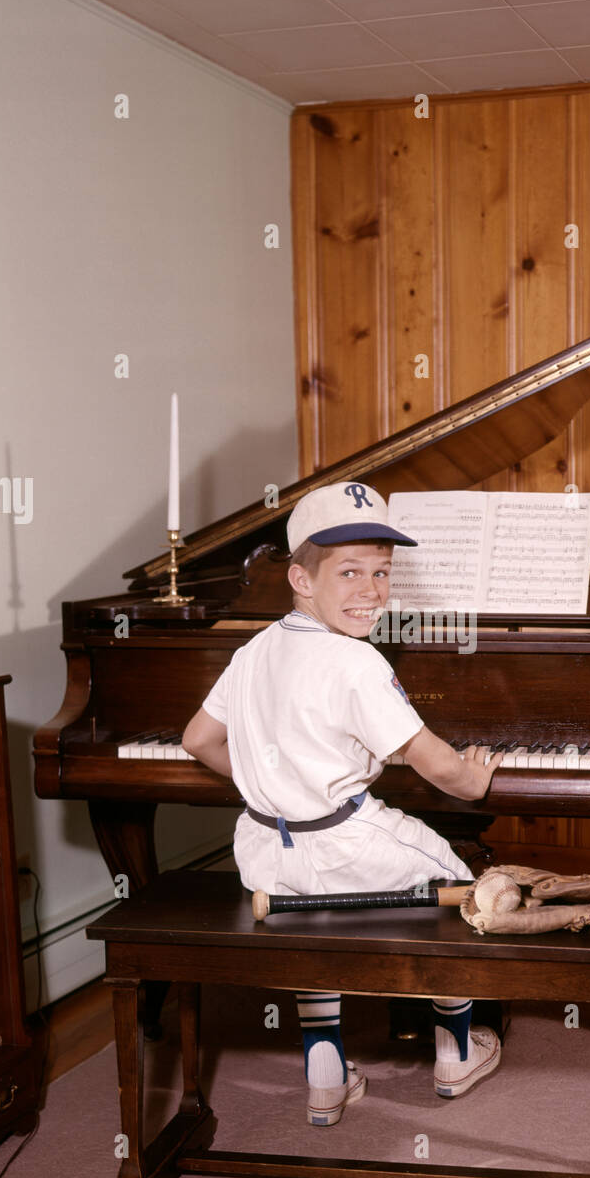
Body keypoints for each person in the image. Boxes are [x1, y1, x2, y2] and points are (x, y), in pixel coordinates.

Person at [182, 480, 504, 1126]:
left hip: (265, 848)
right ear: (302, 578)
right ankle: (456, 1050)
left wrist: (271, 784)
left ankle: (325, 1073)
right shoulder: (355, 661)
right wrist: (473, 780)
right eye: (349, 572)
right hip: (345, 838)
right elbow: (438, 766)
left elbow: (198, 739)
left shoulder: (255, 647)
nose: (372, 590)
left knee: (307, 920)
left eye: (382, 572)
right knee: (464, 891)